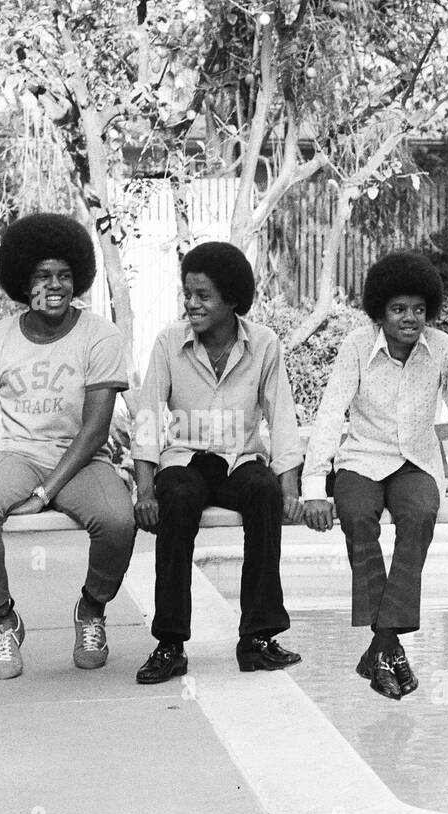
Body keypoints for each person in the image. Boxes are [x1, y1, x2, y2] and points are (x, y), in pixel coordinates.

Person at [302, 251, 448, 700]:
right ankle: (386, 648)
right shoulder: (355, 346)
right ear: (379, 311)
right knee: (356, 515)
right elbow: (330, 414)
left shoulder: (443, 349)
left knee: (421, 514)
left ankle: (381, 648)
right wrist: (314, 486)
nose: (410, 319)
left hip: (416, 464)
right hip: (361, 460)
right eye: (398, 309)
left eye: (419, 310)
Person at [0, 212, 135, 680]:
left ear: (78, 279)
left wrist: (44, 493)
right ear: (23, 281)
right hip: (17, 453)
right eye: (42, 276)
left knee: (119, 521)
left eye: (63, 275)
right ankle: (3, 620)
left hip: (81, 457)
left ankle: (92, 608)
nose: (54, 285)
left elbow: (96, 428)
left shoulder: (100, 335)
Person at [132, 241, 305, 684]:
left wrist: (289, 489)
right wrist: (145, 489)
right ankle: (170, 643)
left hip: (240, 457)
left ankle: (257, 640)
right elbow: (149, 415)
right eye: (187, 294)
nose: (192, 304)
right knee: (181, 498)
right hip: (185, 458)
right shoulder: (170, 342)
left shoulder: (264, 344)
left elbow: (281, 418)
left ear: (232, 299)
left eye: (203, 296)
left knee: (263, 493)